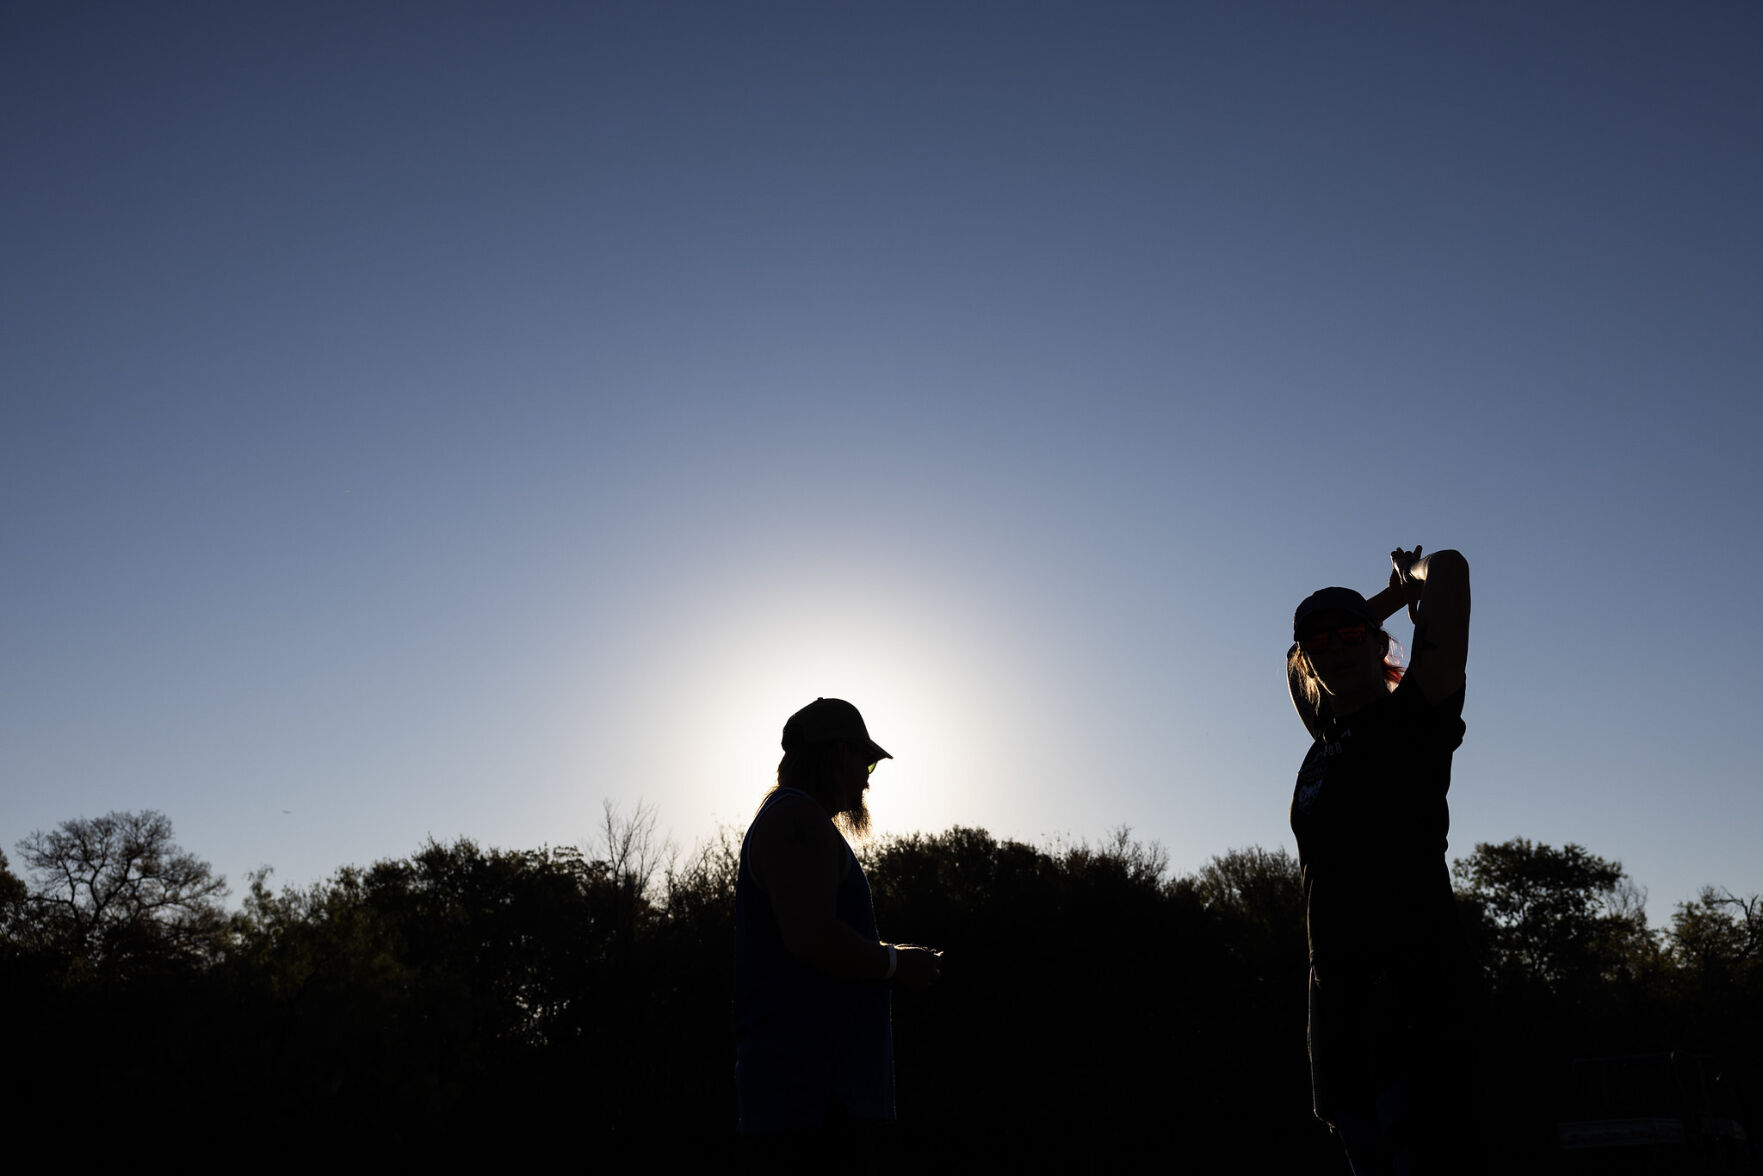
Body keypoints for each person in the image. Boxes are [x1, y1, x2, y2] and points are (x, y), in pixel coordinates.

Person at [1287, 547, 1481, 1176]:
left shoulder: (1417, 713)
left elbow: (1449, 567)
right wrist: (1354, 620)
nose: (1336, 647)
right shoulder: (1324, 737)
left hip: (1413, 988)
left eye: (1352, 635)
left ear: (1380, 644)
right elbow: (1297, 659)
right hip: (1335, 996)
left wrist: (1401, 590)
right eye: (1322, 641)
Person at [732, 697, 940, 1169]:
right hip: (809, 1107)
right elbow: (810, 937)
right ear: (837, 754)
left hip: (816, 1104)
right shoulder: (796, 819)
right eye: (864, 761)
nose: (868, 778)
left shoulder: (798, 820)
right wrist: (894, 963)